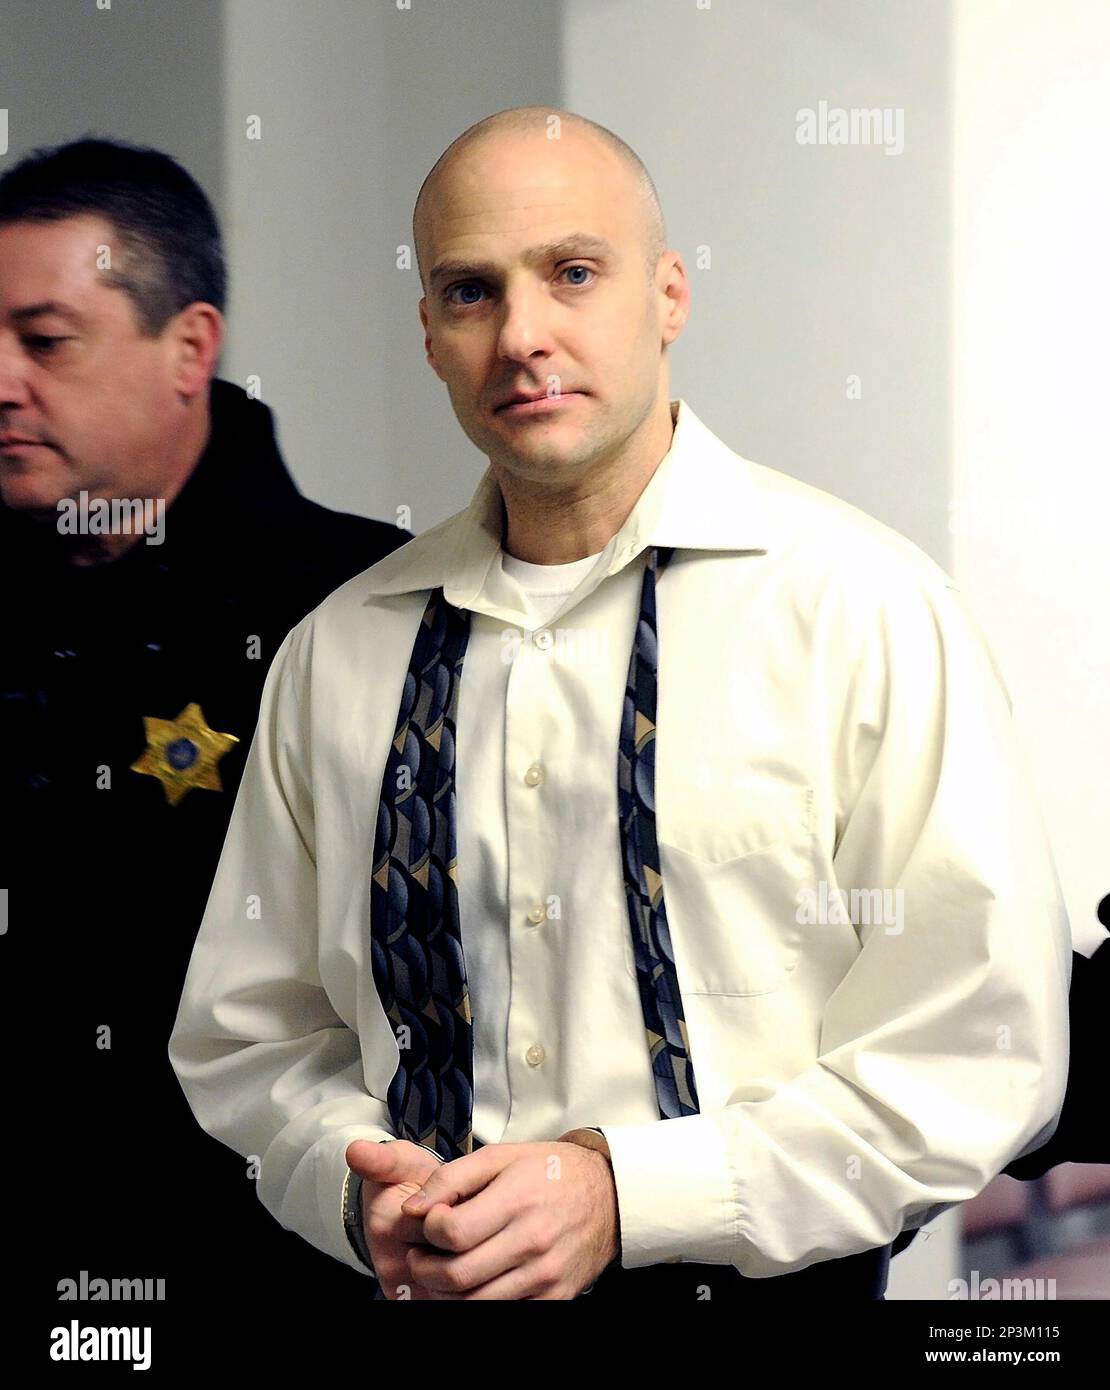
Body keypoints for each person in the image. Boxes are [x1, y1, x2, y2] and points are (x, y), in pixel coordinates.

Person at [169, 107, 1071, 1302]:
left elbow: (977, 1045)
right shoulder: (337, 653)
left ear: (669, 297)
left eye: (574, 273)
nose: (522, 335)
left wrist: (626, 1194)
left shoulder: (864, 613)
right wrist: (345, 1179)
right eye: (469, 291)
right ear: (430, 334)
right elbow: (252, 1034)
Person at [0, 138, 411, 1310]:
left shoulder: (355, 608)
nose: (1, 379)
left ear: (188, 347)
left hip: (260, 1271)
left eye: (45, 340)